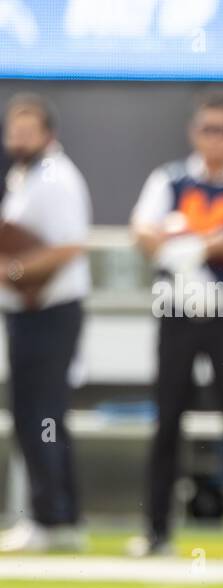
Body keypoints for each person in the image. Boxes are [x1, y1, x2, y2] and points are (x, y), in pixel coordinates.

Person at [129, 93, 223, 559]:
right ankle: (156, 531)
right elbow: (142, 232)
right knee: (167, 418)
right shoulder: (169, 178)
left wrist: (197, 246)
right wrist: (202, 244)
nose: (216, 138)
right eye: (208, 129)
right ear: (195, 133)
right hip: (177, 311)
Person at [0, 93, 91, 554]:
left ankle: (47, 517)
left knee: (41, 416)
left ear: (48, 134)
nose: (17, 140)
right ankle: (62, 517)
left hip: (50, 312)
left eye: (26, 132)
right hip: (26, 312)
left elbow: (70, 246)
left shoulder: (56, 179)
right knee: (37, 414)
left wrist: (14, 272)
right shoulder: (23, 176)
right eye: (12, 131)